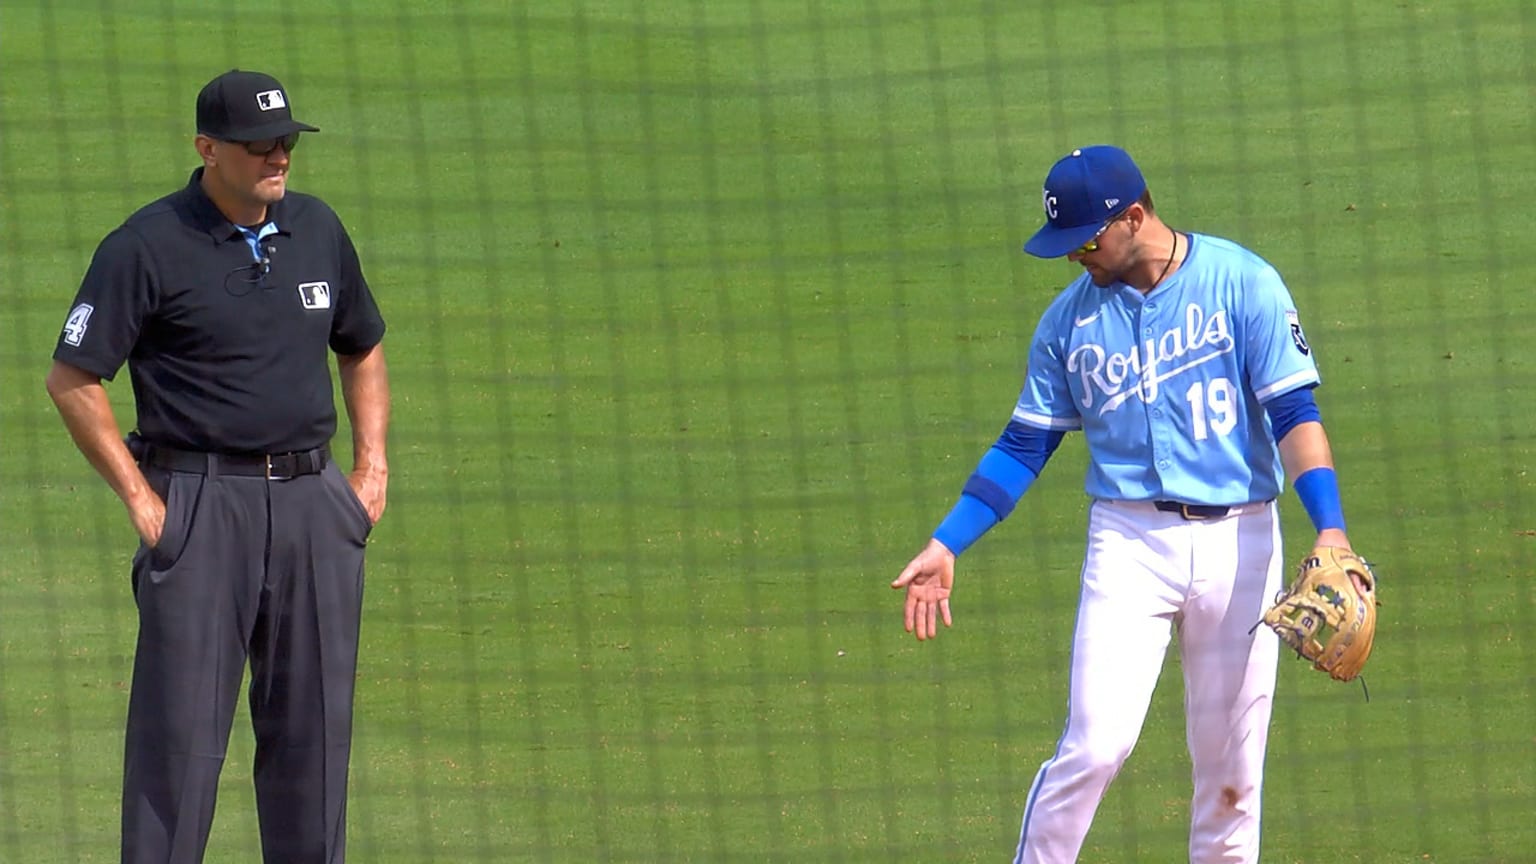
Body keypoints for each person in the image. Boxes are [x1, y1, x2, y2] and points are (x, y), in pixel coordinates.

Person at [890, 145, 1354, 863]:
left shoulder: (1244, 284)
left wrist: (1331, 529)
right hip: (1128, 544)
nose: (1077, 258)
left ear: (1133, 217)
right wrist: (947, 541)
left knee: (1232, 776)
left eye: (1085, 241)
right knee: (1096, 746)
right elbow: (1023, 447)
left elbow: (1294, 414)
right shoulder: (1066, 326)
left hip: (1242, 543)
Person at [45, 69, 389, 863]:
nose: (278, 156)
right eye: (259, 144)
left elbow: (362, 343)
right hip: (200, 510)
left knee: (314, 740)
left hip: (312, 505)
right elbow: (74, 377)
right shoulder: (146, 245)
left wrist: (369, 473)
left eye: (286, 141)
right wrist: (142, 499)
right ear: (208, 149)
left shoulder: (319, 230)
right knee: (179, 748)